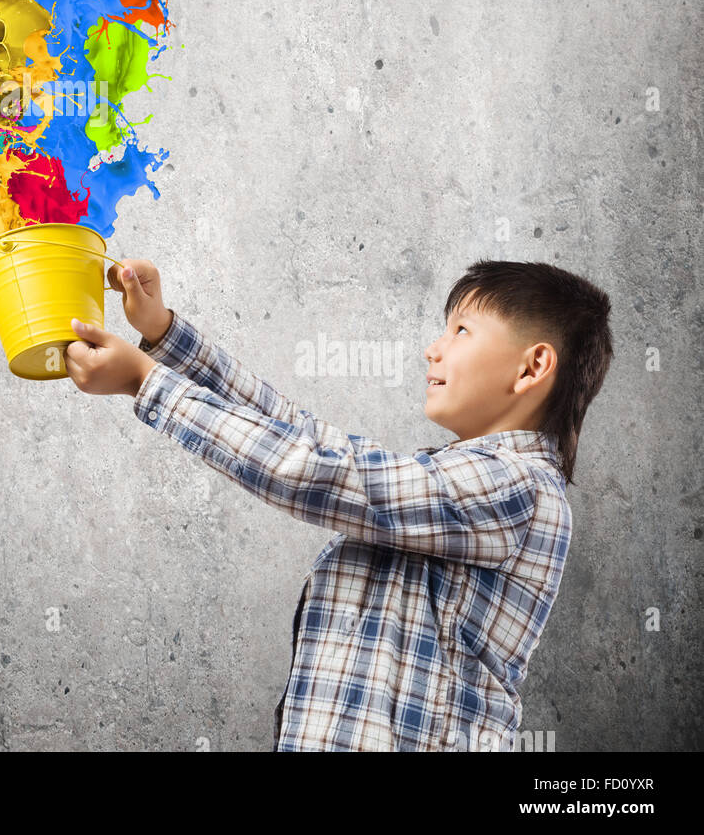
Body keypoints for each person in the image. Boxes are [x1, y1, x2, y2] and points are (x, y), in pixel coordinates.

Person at [64, 257, 613, 751]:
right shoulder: (456, 480)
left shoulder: (515, 488)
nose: (434, 347)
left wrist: (146, 382)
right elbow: (298, 435)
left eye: (462, 330)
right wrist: (163, 335)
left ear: (532, 367)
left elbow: (309, 469)